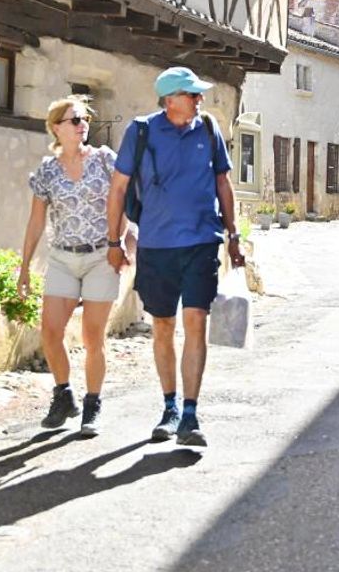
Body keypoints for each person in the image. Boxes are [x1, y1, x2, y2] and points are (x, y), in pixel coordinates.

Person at [106, 67, 244, 447]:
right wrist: (114, 241)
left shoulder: (209, 128)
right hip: (156, 245)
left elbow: (223, 181)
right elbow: (118, 189)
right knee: (163, 327)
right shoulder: (142, 131)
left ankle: (190, 413)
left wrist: (234, 235)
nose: (200, 99)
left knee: (196, 320)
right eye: (192, 94)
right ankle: (168, 406)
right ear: (170, 100)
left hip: (202, 241)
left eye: (200, 94)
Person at [20, 95, 132, 437]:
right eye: (74, 120)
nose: (82, 124)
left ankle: (93, 403)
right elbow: (36, 222)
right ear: (56, 127)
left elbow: (122, 203)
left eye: (84, 119)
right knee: (50, 332)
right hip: (63, 258)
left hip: (101, 255)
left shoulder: (104, 160)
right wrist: (24, 267)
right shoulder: (47, 171)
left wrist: (118, 243)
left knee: (92, 336)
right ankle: (63, 394)